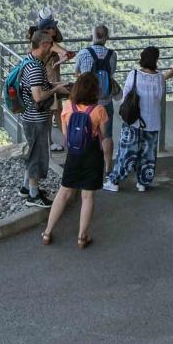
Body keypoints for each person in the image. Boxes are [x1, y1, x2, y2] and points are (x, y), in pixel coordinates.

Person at [41, 72, 108, 248]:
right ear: (95, 91)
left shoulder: (68, 107)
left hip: (74, 154)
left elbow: (65, 134)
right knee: (87, 196)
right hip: (92, 155)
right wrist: (108, 161)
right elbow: (104, 137)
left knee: (63, 193)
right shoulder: (99, 110)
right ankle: (82, 236)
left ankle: (47, 232)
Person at [103, 46, 165, 192]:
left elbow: (125, 95)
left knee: (126, 151)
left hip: (133, 120)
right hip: (153, 122)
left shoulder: (134, 74)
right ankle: (143, 182)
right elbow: (160, 97)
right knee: (148, 154)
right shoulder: (160, 77)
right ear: (156, 60)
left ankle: (115, 181)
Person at [19, 31, 66, 208]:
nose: (53, 48)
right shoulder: (36, 67)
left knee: (33, 152)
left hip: (29, 115)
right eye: (51, 45)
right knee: (37, 154)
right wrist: (55, 91)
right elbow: (38, 96)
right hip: (36, 117)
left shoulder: (29, 60)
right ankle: (33, 195)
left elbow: (38, 86)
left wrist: (56, 85)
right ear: (44, 45)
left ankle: (26, 187)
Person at [75, 24, 118, 171]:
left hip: (87, 102)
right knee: (107, 135)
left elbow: (77, 73)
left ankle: (88, 164)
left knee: (85, 132)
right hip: (106, 101)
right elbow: (111, 73)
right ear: (107, 38)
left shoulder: (83, 53)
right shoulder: (113, 55)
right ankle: (107, 166)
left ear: (93, 36)